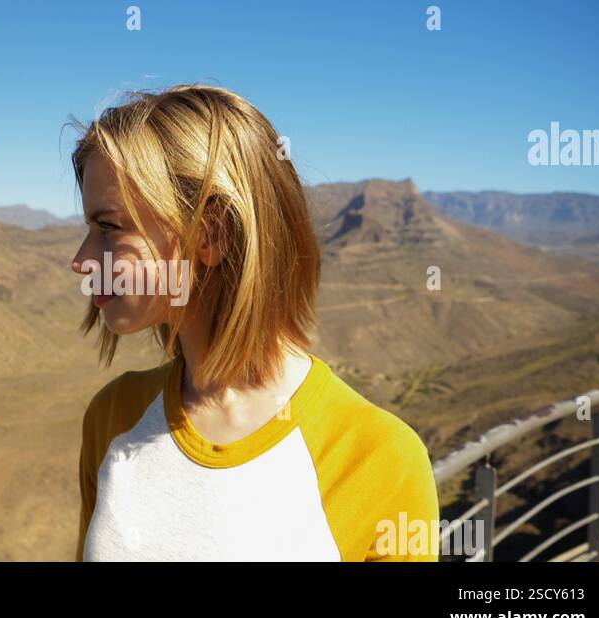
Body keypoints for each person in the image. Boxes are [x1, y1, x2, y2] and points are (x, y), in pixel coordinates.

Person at [68, 84, 439, 561]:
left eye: (108, 227)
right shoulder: (112, 415)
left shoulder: (380, 459)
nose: (81, 261)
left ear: (211, 233)